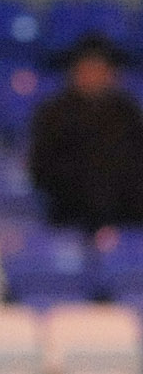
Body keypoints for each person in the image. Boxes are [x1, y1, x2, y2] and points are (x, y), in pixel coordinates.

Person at [28, 36, 143, 231]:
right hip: (69, 212)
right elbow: (42, 167)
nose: (93, 75)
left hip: (126, 214)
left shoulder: (128, 113)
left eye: (100, 69)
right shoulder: (54, 114)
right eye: (87, 69)